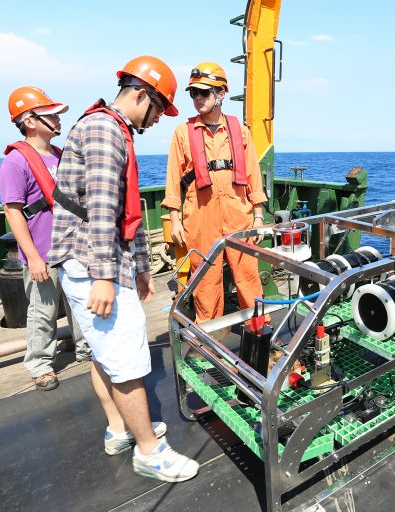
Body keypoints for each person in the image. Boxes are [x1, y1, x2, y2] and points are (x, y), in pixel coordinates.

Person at [48, 56, 199, 482]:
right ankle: (150, 452)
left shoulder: (112, 129)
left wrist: (141, 268)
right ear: (140, 95)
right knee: (128, 361)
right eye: (157, 110)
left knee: (104, 352)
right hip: (94, 265)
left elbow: (124, 212)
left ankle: (121, 429)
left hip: (103, 261)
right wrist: (104, 276)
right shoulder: (103, 131)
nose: (155, 122)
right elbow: (100, 208)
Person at [0, 86, 90, 391]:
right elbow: (13, 212)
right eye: (50, 114)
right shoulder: (15, 162)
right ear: (30, 121)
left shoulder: (59, 156)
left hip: (72, 247)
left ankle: (85, 349)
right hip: (42, 251)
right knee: (43, 310)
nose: (57, 118)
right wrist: (33, 258)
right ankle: (39, 364)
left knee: (81, 302)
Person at [162, 61, 267, 322]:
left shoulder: (241, 132)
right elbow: (173, 179)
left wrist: (258, 216)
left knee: (249, 278)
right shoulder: (182, 134)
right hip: (200, 219)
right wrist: (175, 220)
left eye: (204, 92)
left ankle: (261, 335)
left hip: (238, 216)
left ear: (221, 94)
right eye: (193, 93)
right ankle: (208, 343)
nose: (197, 98)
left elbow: (253, 174)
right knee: (206, 284)